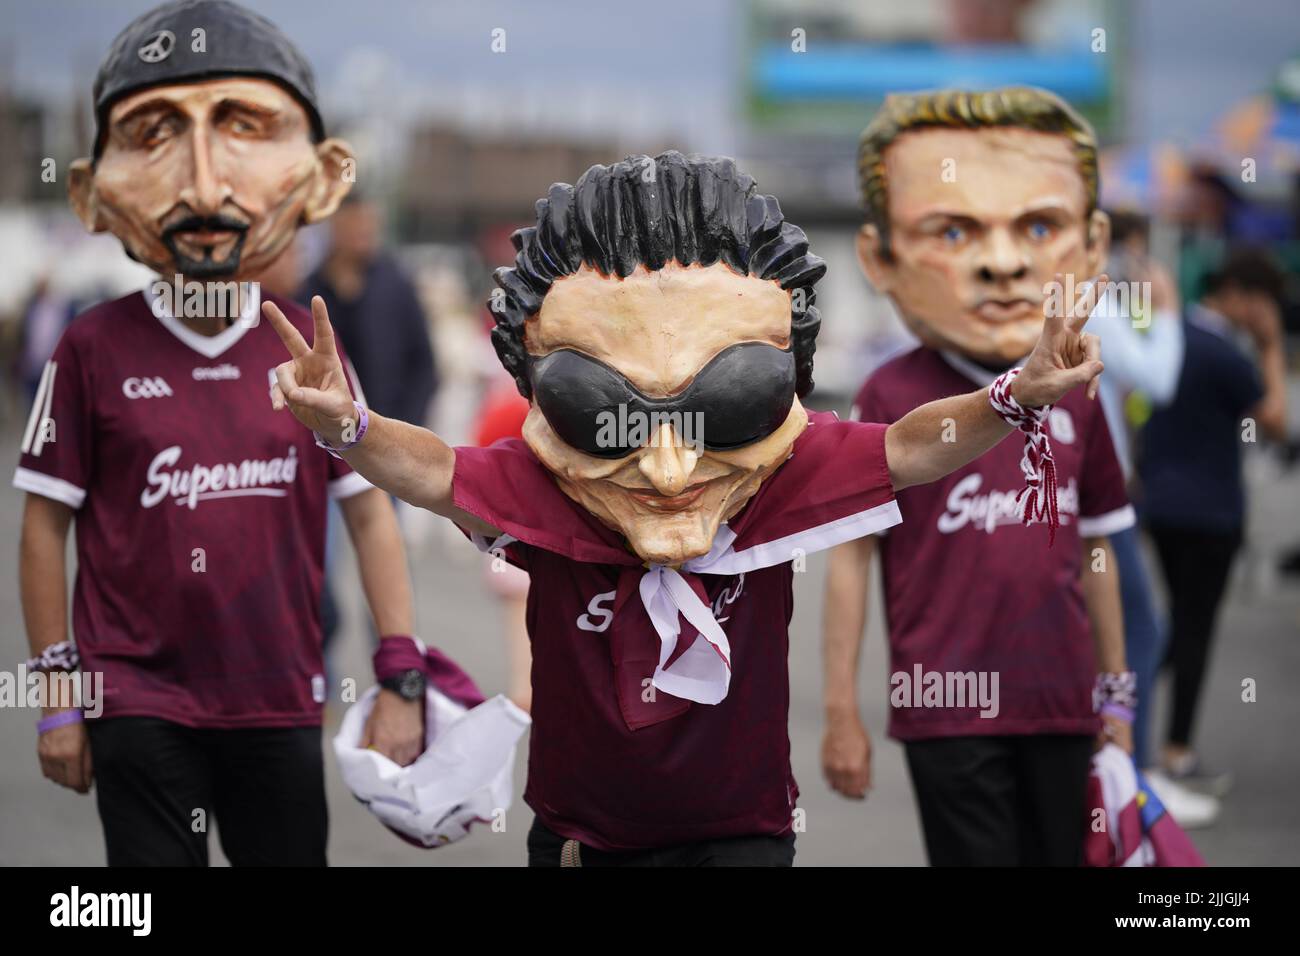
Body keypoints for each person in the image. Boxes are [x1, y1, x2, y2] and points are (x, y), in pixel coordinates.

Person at [264, 150, 1108, 867]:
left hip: (738, 836)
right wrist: (350, 423)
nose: (668, 472)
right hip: (581, 838)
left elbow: (912, 446)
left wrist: (1013, 395)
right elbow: (435, 472)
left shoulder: (790, 470)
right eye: (601, 409)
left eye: (730, 402)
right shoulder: (541, 480)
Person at [16, 0, 424, 866]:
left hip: (276, 702)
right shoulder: (90, 347)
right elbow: (44, 522)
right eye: (155, 136)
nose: (204, 187)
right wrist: (57, 693)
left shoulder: (310, 349)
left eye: (245, 129)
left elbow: (368, 511)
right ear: (90, 195)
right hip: (136, 702)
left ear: (322, 177)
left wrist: (401, 670)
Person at [821, 87, 1134, 866]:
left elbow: (1100, 554)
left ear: (1093, 245)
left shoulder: (1084, 390)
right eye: (954, 230)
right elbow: (851, 563)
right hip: (946, 708)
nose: (1003, 262)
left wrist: (1118, 698)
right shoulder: (887, 396)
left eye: (1039, 224)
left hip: (1062, 703)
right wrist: (839, 714)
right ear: (879, 257)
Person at [1139, 246, 1289, 789]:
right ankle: (1174, 748)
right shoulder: (1227, 353)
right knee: (1193, 628)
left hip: (1160, 503)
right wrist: (1271, 348)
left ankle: (1120, 723)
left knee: (1172, 624)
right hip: (1211, 511)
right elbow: (1274, 421)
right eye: (1265, 303)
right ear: (1242, 298)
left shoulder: (1166, 335)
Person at [301, 193, 437, 428]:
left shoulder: (396, 284)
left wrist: (408, 427)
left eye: (367, 224)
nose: (362, 232)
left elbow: (423, 363)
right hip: (328, 430)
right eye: (353, 224)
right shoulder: (310, 290)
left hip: (390, 427)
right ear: (334, 227)